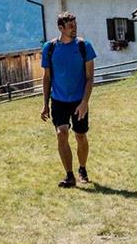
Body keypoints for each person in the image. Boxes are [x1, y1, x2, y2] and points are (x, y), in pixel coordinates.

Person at [39, 12, 96, 188]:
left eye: (75, 24)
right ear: (60, 28)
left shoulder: (84, 46)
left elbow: (90, 78)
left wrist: (85, 102)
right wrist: (45, 104)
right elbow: (47, 77)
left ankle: (82, 168)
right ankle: (69, 175)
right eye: (70, 25)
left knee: (80, 136)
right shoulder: (50, 48)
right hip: (58, 100)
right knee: (61, 133)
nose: (74, 28)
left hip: (79, 100)